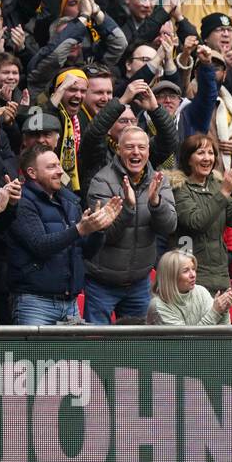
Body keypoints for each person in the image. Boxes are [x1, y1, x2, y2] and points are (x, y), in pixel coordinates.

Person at [8, 148, 121, 326]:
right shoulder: (20, 202)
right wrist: (79, 229)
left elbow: (86, 252)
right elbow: (40, 245)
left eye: (59, 165)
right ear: (32, 173)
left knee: (72, 355)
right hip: (35, 303)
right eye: (52, 166)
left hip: (71, 304)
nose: (60, 171)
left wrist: (99, 229)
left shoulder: (70, 201)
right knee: (32, 355)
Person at [82, 128, 178, 325]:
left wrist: (156, 204)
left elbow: (169, 227)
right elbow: (105, 236)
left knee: (138, 350)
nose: (136, 152)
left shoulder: (159, 181)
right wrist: (128, 208)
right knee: (95, 343)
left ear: (148, 152)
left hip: (139, 283)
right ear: (118, 150)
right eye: (129, 147)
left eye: (141, 147)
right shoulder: (102, 182)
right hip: (102, 282)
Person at [171, 134, 232, 295]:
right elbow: (196, 223)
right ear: (188, 158)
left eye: (210, 153)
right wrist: (224, 191)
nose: (207, 158)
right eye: (201, 153)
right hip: (191, 278)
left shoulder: (217, 186)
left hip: (220, 276)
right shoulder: (179, 188)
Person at [148, 249, 232, 326]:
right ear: (171, 276)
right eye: (186, 271)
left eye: (193, 269)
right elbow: (187, 342)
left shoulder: (201, 292)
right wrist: (215, 312)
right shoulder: (158, 306)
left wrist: (224, 311)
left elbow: (223, 332)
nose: (193, 275)